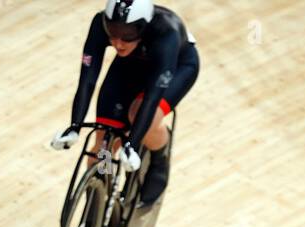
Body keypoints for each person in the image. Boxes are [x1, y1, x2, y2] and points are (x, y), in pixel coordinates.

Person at [50, 0, 199, 205]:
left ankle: (159, 160)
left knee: (139, 114)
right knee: (102, 148)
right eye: (113, 32)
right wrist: (75, 125)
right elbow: (88, 78)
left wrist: (133, 143)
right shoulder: (100, 24)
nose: (118, 43)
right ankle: (96, 208)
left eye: (127, 35)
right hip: (131, 64)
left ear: (143, 27)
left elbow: (152, 96)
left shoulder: (167, 32)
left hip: (177, 67)